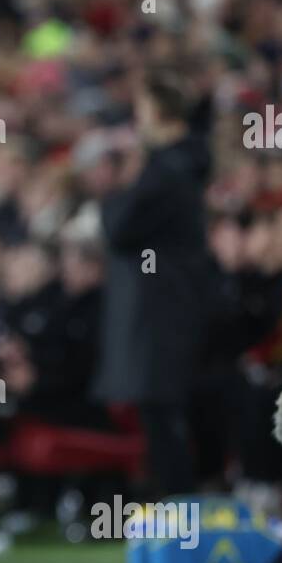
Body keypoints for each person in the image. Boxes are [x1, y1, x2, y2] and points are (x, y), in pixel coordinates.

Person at [84, 70, 213, 498]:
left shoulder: (166, 169)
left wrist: (116, 186)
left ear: (158, 114)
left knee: (164, 416)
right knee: (163, 415)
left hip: (162, 311)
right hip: (171, 305)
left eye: (141, 112)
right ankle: (179, 510)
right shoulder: (184, 165)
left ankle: (182, 511)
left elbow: (119, 227)